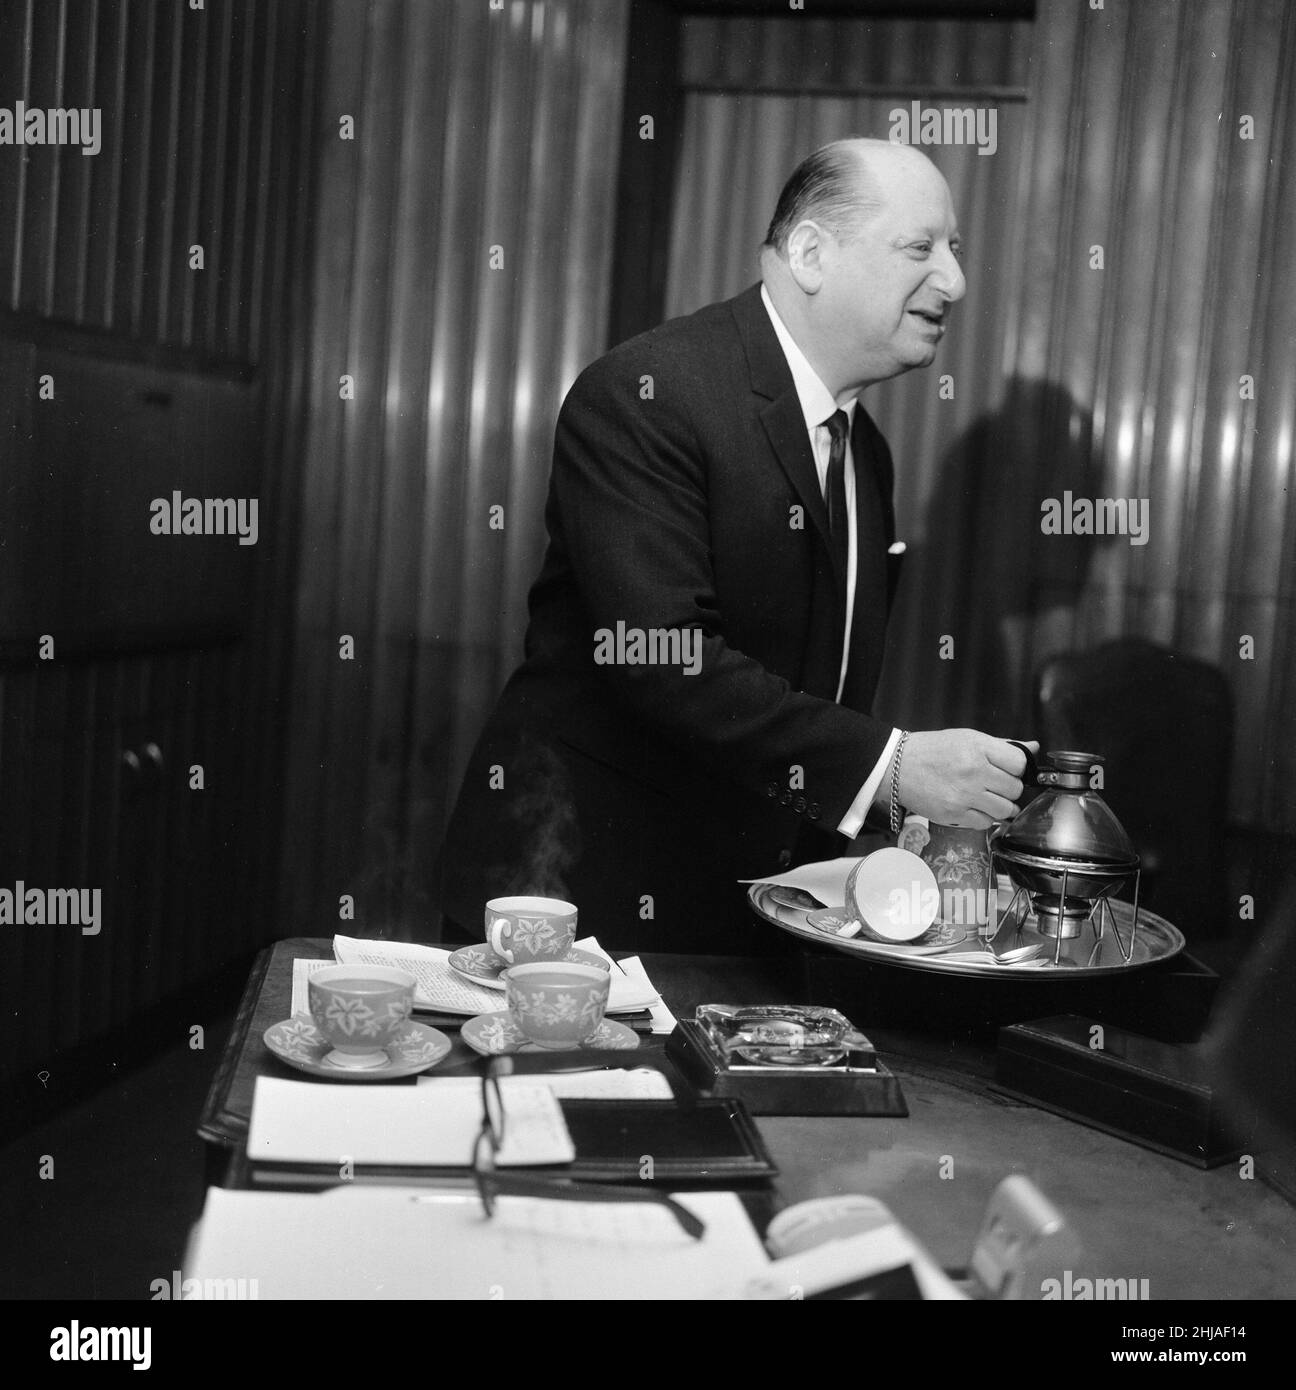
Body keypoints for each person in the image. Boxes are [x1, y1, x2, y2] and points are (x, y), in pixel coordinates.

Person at [435, 137, 1034, 952]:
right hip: (579, 903)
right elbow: (662, 658)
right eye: (919, 248)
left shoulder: (868, 452)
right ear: (810, 253)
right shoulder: (647, 396)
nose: (955, 281)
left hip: (755, 921)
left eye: (955, 250)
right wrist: (891, 769)